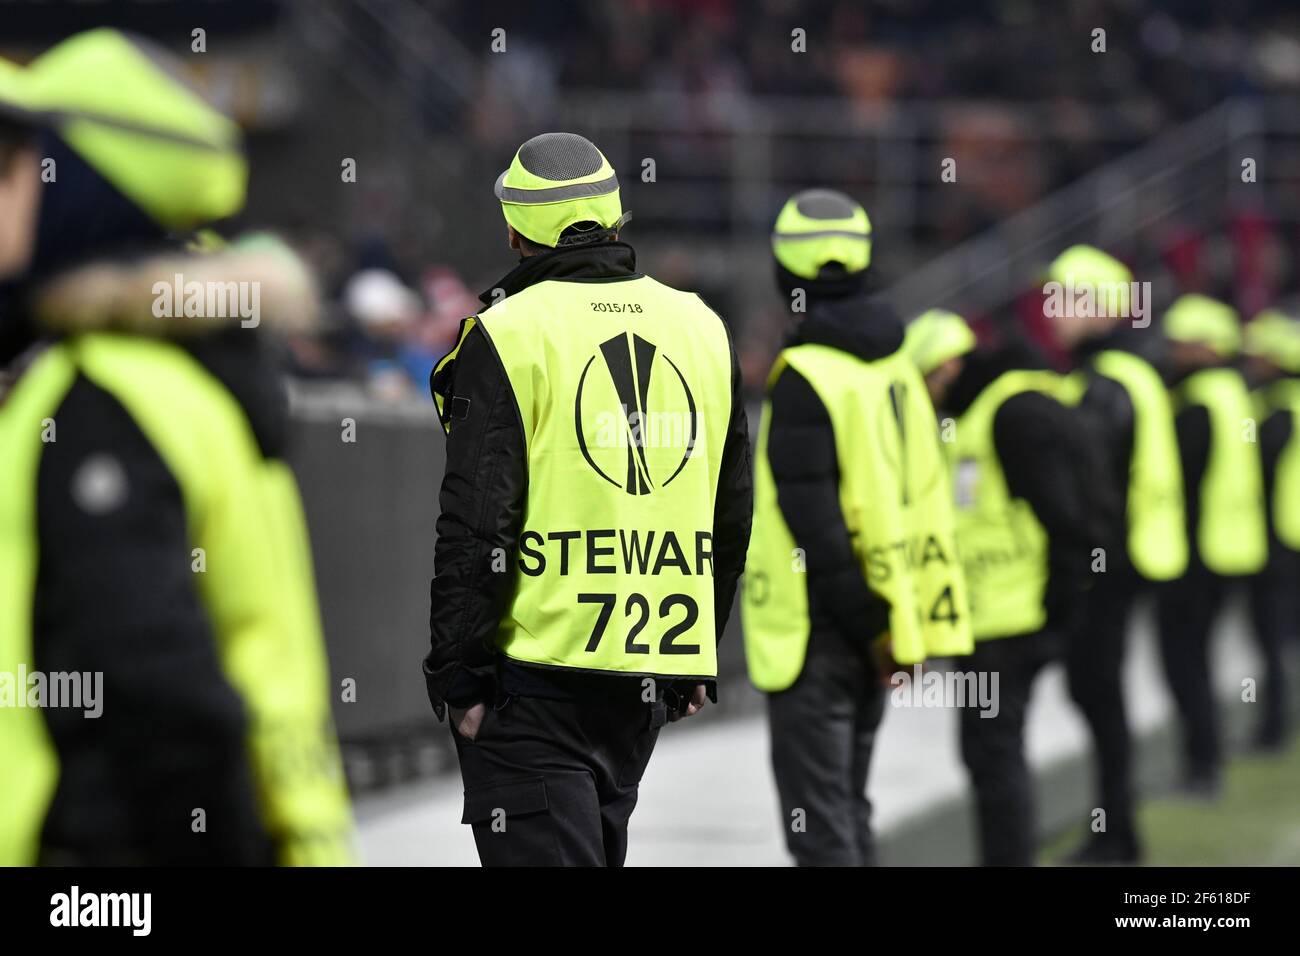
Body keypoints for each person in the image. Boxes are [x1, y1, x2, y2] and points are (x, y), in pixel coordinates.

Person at [0, 30, 354, 865]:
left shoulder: (100, 403)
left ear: (77, 191)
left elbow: (164, 703)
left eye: (13, 171)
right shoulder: (194, 379)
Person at [423, 132, 752, 867]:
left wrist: (458, 674)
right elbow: (729, 514)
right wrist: (696, 648)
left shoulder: (505, 335)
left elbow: (477, 523)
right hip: (646, 669)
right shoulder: (701, 326)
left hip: (530, 684)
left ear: (515, 230)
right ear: (616, 216)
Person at [742, 190, 972, 867]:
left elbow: (814, 519)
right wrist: (889, 624)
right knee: (848, 809)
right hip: (883, 621)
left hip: (819, 630)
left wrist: (866, 618)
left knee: (821, 831)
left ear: (786, 276)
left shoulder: (805, 375)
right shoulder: (899, 368)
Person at [907, 309, 1093, 866]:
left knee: (993, 754)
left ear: (946, 368)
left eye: (927, 383)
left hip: (1010, 622)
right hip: (993, 618)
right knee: (988, 753)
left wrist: (1054, 608)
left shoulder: (1011, 412)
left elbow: (1066, 520)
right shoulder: (994, 410)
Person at [1047, 245, 1187, 864]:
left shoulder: (1105, 384)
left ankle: (1117, 833)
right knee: (1098, 694)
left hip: (1109, 566)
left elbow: (1091, 487)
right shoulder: (1119, 376)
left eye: (1066, 299)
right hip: (1125, 560)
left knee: (1100, 695)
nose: (1053, 312)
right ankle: (1116, 829)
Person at [1156, 294, 1267, 794]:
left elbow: (1182, 480)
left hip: (1198, 553)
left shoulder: (1199, 400)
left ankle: (1202, 765)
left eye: (1183, 343)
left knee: (1185, 659)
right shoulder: (1234, 393)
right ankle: (1207, 756)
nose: (1174, 351)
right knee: (1201, 657)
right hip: (1232, 547)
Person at [1243, 309, 1300, 748]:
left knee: (1272, 638)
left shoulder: (1274, 409)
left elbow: (1258, 470)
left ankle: (1274, 727)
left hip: (1281, 538)